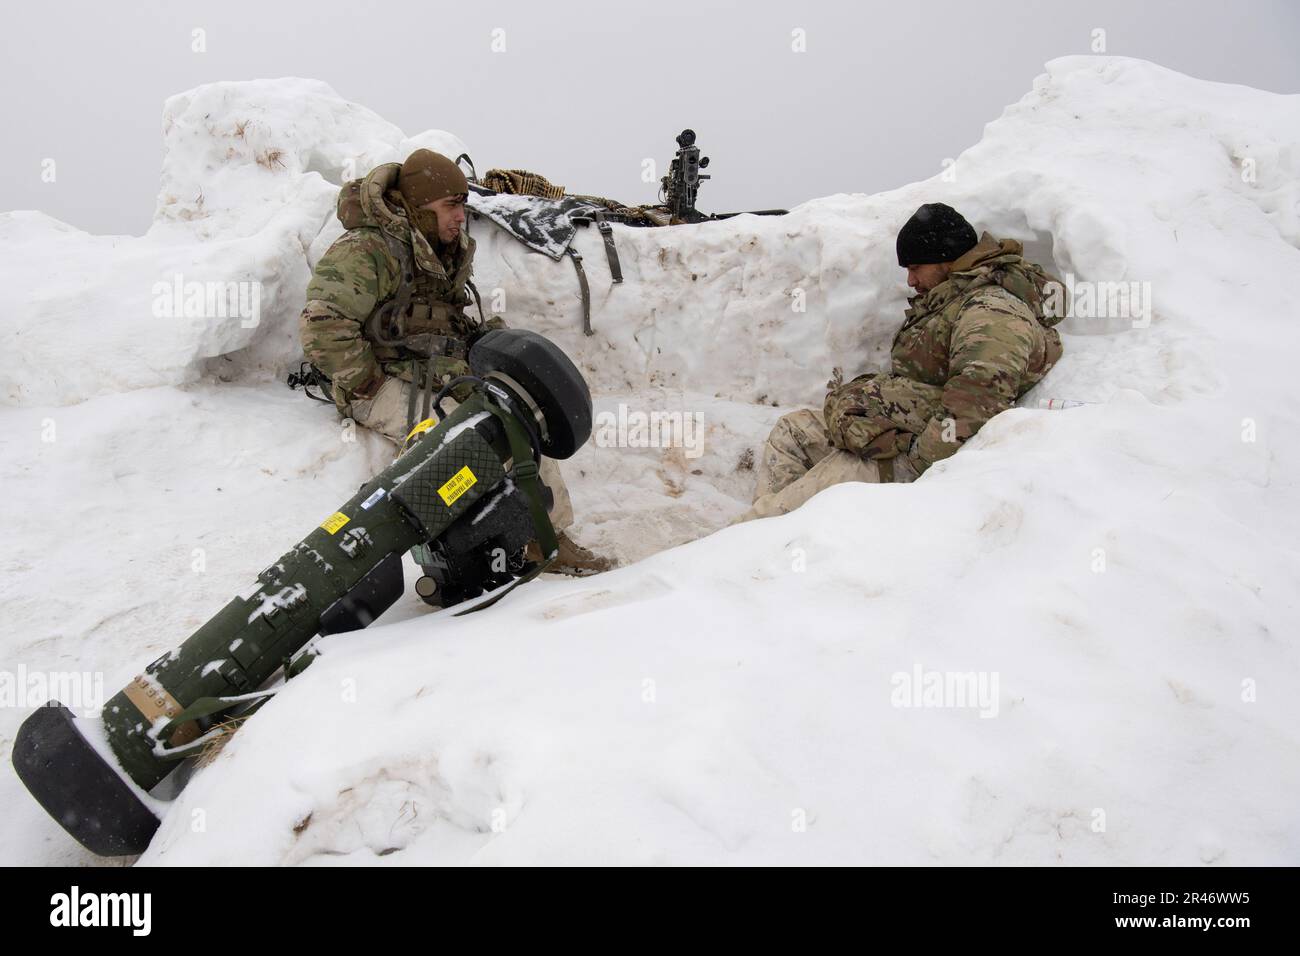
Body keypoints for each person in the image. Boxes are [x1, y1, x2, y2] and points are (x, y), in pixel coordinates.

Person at [299, 148, 611, 574]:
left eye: (462, 205)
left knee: (517, 417)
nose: (460, 216)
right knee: (467, 436)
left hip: (436, 370)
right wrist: (367, 383)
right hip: (378, 382)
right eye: (450, 206)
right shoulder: (367, 250)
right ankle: (475, 554)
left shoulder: (440, 246)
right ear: (419, 206)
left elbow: (441, 315)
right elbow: (322, 325)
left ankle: (548, 536)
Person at [744, 203, 1064, 520]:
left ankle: (750, 546)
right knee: (793, 431)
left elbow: (974, 407)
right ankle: (786, 543)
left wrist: (914, 461)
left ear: (946, 260)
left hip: (907, 454)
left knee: (770, 515)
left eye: (915, 268)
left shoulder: (990, 311)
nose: (910, 281)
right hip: (890, 433)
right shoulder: (953, 297)